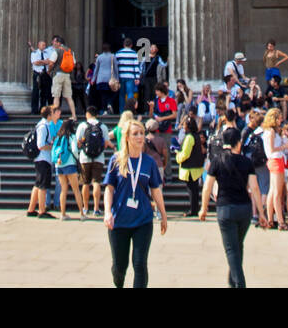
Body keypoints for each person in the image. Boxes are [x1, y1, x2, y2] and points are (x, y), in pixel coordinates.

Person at [104, 117, 167, 288]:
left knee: (140, 264)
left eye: (142, 133)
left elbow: (155, 190)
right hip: (119, 221)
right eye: (135, 134)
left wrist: (163, 214)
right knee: (120, 267)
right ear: (127, 137)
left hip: (143, 220)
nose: (140, 137)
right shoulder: (116, 160)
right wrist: (107, 212)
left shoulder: (149, 162)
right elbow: (109, 188)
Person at [200, 126, 266, 288]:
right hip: (244, 208)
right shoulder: (246, 162)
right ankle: (233, 281)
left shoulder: (217, 161)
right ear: (239, 143)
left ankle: (239, 283)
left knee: (231, 249)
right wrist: (262, 213)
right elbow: (255, 188)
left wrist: (204, 207)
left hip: (225, 208)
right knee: (238, 245)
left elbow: (207, 187)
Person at [76, 106, 111, 217]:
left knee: (85, 182)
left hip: (84, 157)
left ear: (88, 114)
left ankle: (86, 207)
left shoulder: (82, 125)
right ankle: (96, 208)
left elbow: (78, 142)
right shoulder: (103, 126)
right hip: (99, 157)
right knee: (96, 182)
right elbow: (106, 143)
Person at [261, 107, 288, 230]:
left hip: (273, 160)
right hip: (276, 160)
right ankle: (280, 221)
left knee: (273, 191)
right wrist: (284, 146)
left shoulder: (268, 131)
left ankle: (270, 219)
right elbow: (273, 149)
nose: (281, 120)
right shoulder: (272, 132)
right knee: (277, 193)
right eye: (279, 118)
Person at [26, 105, 57, 218]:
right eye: (53, 113)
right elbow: (41, 145)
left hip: (41, 158)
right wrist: (51, 146)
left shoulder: (43, 124)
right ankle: (42, 210)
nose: (55, 115)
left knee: (38, 184)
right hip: (43, 158)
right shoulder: (43, 126)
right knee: (43, 185)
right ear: (49, 115)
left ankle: (31, 209)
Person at [52, 117, 85, 219]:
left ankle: (62, 214)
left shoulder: (58, 137)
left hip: (59, 165)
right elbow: (74, 150)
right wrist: (76, 159)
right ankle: (82, 213)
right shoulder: (71, 136)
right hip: (70, 164)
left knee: (63, 189)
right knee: (76, 189)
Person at [175, 114, 205, 217]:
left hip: (190, 168)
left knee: (192, 190)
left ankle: (193, 210)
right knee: (194, 190)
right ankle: (194, 209)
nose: (183, 127)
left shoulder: (189, 137)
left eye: (184, 125)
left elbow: (185, 154)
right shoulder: (196, 136)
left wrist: (178, 157)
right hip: (196, 167)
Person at [49, 35, 77, 118]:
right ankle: (74, 115)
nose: (53, 43)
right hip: (67, 75)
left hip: (58, 74)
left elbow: (51, 63)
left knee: (56, 96)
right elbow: (74, 64)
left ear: (58, 43)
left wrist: (49, 71)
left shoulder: (56, 51)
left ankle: (55, 116)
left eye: (54, 42)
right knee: (69, 97)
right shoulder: (71, 51)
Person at [114, 37, 141, 115]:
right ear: (131, 45)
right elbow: (136, 66)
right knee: (130, 94)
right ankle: (130, 110)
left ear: (123, 45)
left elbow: (116, 66)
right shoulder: (134, 53)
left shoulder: (118, 53)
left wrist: (116, 77)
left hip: (121, 76)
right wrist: (137, 77)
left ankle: (122, 111)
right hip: (130, 76)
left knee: (121, 95)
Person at [89, 42, 117, 113]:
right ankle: (109, 103)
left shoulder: (99, 57)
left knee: (103, 95)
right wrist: (117, 78)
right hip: (110, 78)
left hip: (101, 79)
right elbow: (115, 68)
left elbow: (96, 69)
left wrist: (93, 79)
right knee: (112, 93)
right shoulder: (112, 56)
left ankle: (105, 110)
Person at [29, 39, 53, 113]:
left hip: (45, 74)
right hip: (37, 73)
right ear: (38, 45)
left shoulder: (47, 53)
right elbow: (35, 62)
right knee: (36, 91)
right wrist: (44, 61)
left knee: (45, 92)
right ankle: (34, 109)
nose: (44, 46)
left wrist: (41, 61)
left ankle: (42, 109)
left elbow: (49, 62)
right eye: (43, 45)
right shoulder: (34, 53)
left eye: (45, 45)